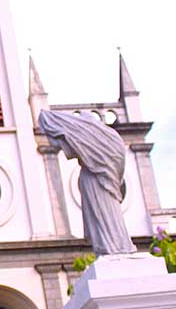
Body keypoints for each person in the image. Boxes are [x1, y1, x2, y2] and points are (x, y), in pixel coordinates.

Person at [36, 108, 136, 256]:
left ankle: (114, 246)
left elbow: (48, 117)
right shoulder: (106, 148)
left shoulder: (98, 161)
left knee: (104, 214)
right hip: (94, 180)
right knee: (101, 216)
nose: (60, 148)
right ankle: (110, 245)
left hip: (95, 182)